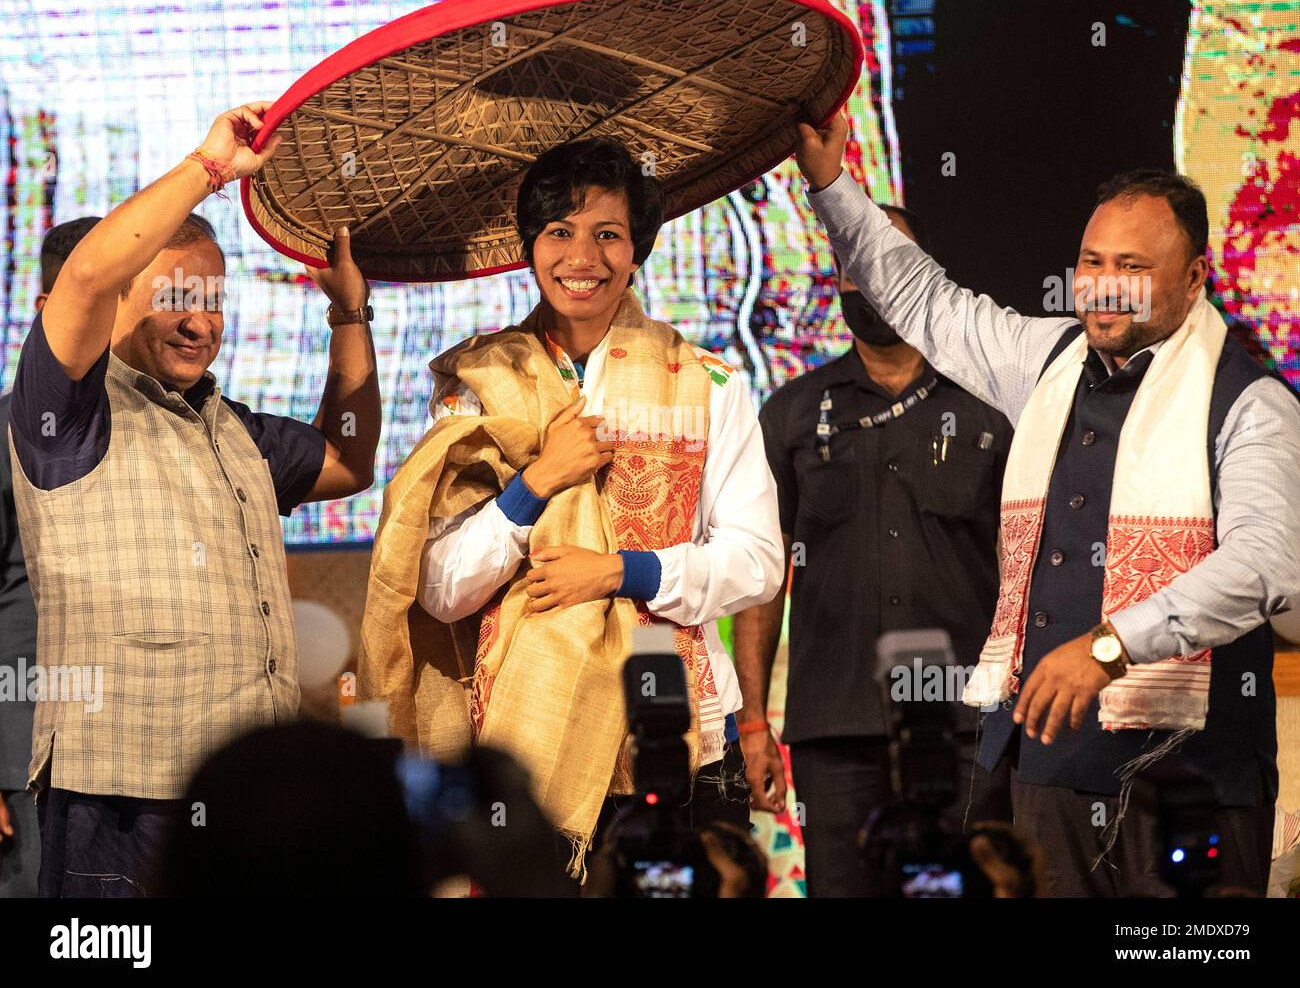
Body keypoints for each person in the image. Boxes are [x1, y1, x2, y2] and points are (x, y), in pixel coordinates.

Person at [792, 111, 1300, 896]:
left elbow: (1268, 564)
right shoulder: (1051, 357)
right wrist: (831, 185)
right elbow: (930, 302)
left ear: (1195, 277)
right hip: (1048, 769)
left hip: (1195, 784)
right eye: (1091, 261)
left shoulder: (1250, 403)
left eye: (1131, 265)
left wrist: (1108, 647)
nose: (1102, 283)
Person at [359, 137, 784, 877]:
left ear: (637, 251)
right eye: (559, 231)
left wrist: (620, 571)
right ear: (530, 247)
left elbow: (757, 562)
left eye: (607, 234)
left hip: (686, 743)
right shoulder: (478, 385)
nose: (580, 256)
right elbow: (440, 587)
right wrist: (535, 484)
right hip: (530, 748)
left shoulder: (711, 384)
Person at [7, 102, 381, 897]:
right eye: (175, 294)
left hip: (246, 791)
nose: (198, 321)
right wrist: (209, 169)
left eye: (211, 300)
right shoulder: (66, 410)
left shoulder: (234, 428)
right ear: (117, 302)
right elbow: (82, 274)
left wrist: (349, 312)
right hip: (117, 801)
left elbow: (349, 458)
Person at [733, 207, 1013, 897]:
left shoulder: (993, 407)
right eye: (853, 266)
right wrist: (751, 720)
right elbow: (761, 578)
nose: (871, 281)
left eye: (890, 260)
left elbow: (1031, 564)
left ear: (926, 274)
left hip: (967, 724)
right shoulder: (793, 413)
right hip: (836, 729)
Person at [0, 217, 102, 897]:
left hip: (134, 757)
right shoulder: (6, 432)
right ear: (46, 309)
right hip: (26, 755)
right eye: (96, 292)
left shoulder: (171, 434)